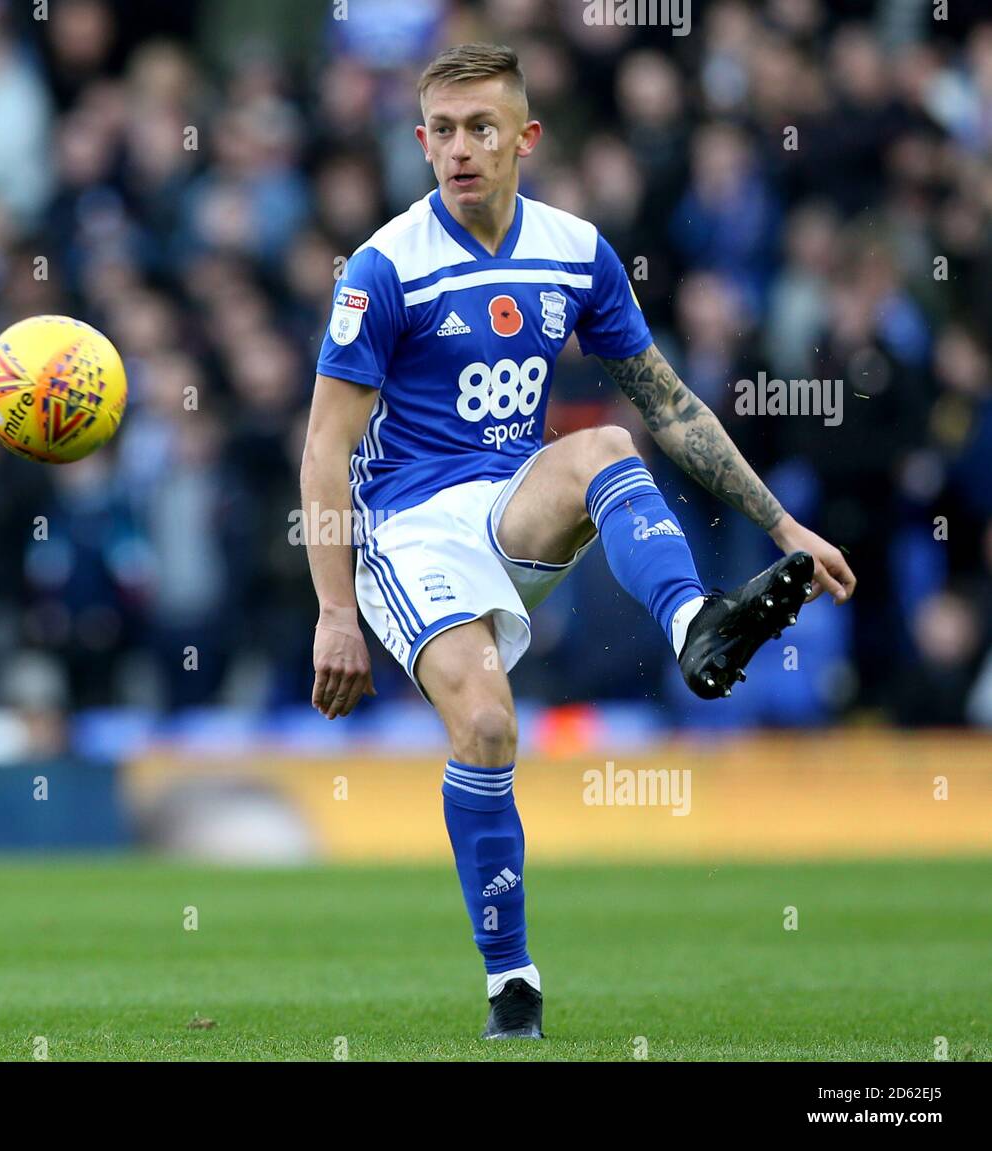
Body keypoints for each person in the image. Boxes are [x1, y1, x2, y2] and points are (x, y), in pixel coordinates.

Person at [299, 44, 857, 1040]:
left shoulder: (574, 249)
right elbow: (324, 446)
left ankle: (695, 623)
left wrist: (781, 526)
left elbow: (672, 404)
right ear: (420, 142)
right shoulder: (385, 267)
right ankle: (511, 981)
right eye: (441, 131)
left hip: (514, 501)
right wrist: (336, 609)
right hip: (408, 524)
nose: (460, 149)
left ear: (525, 137)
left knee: (606, 435)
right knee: (487, 728)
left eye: (481, 128)